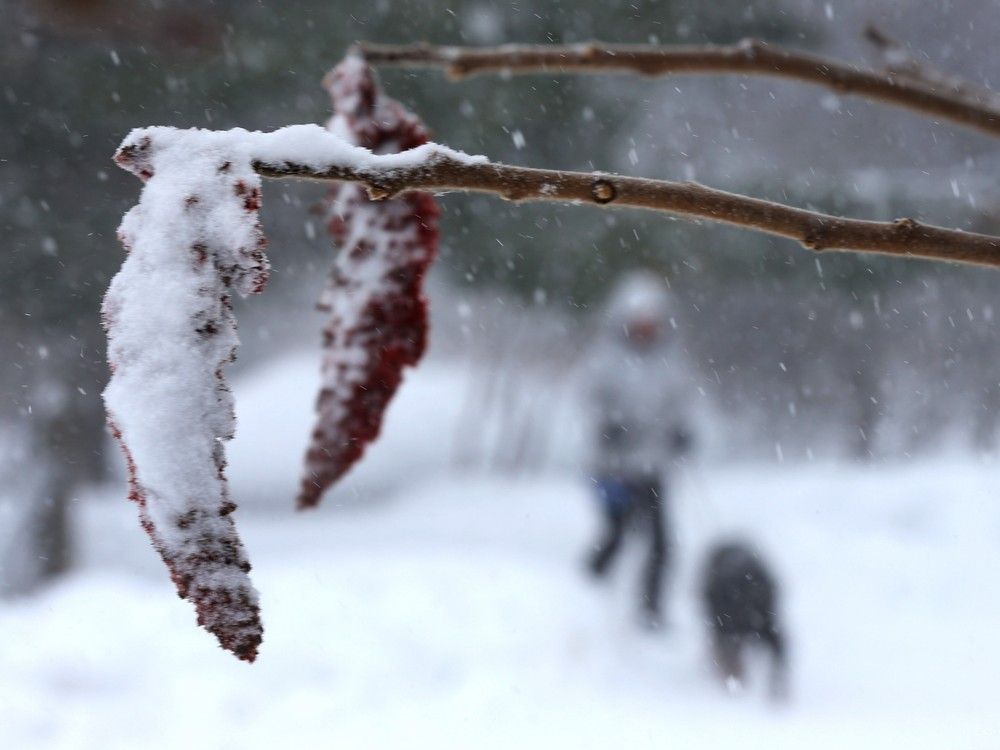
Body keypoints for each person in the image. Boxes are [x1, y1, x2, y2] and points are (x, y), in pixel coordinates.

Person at [583, 270, 695, 630]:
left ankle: (651, 610)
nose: (646, 329)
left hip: (653, 465)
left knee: (661, 544)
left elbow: (682, 400)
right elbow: (588, 397)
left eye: (652, 323)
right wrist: (608, 425)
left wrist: (681, 431)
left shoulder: (671, 361)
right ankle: (582, 595)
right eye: (639, 323)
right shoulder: (605, 360)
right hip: (613, 467)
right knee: (616, 536)